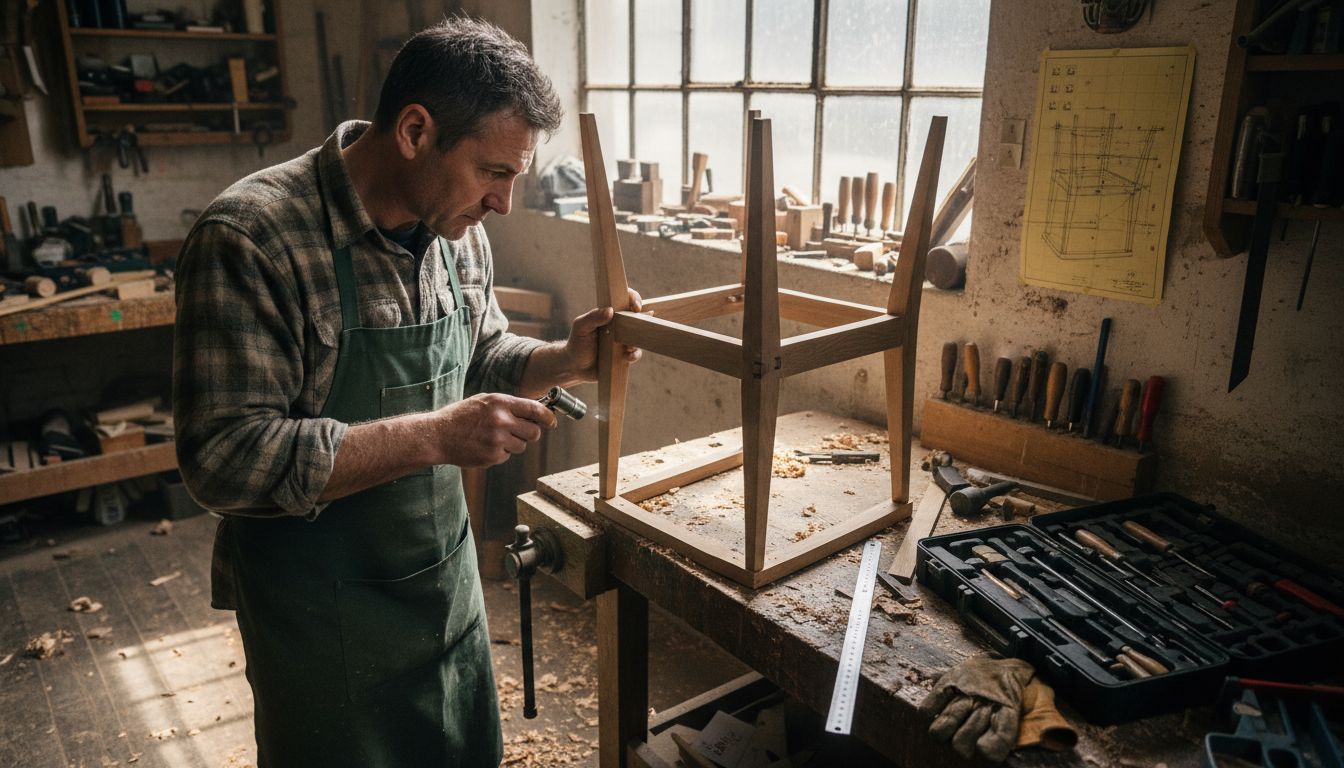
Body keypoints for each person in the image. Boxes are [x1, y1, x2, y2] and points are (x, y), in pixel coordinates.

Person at [172, 17, 639, 767]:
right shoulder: (253, 237)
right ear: (416, 132)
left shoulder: (457, 231)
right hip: (318, 622)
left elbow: (481, 357)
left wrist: (564, 359)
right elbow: (223, 459)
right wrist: (436, 436)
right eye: (493, 172)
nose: (504, 203)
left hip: (441, 592)